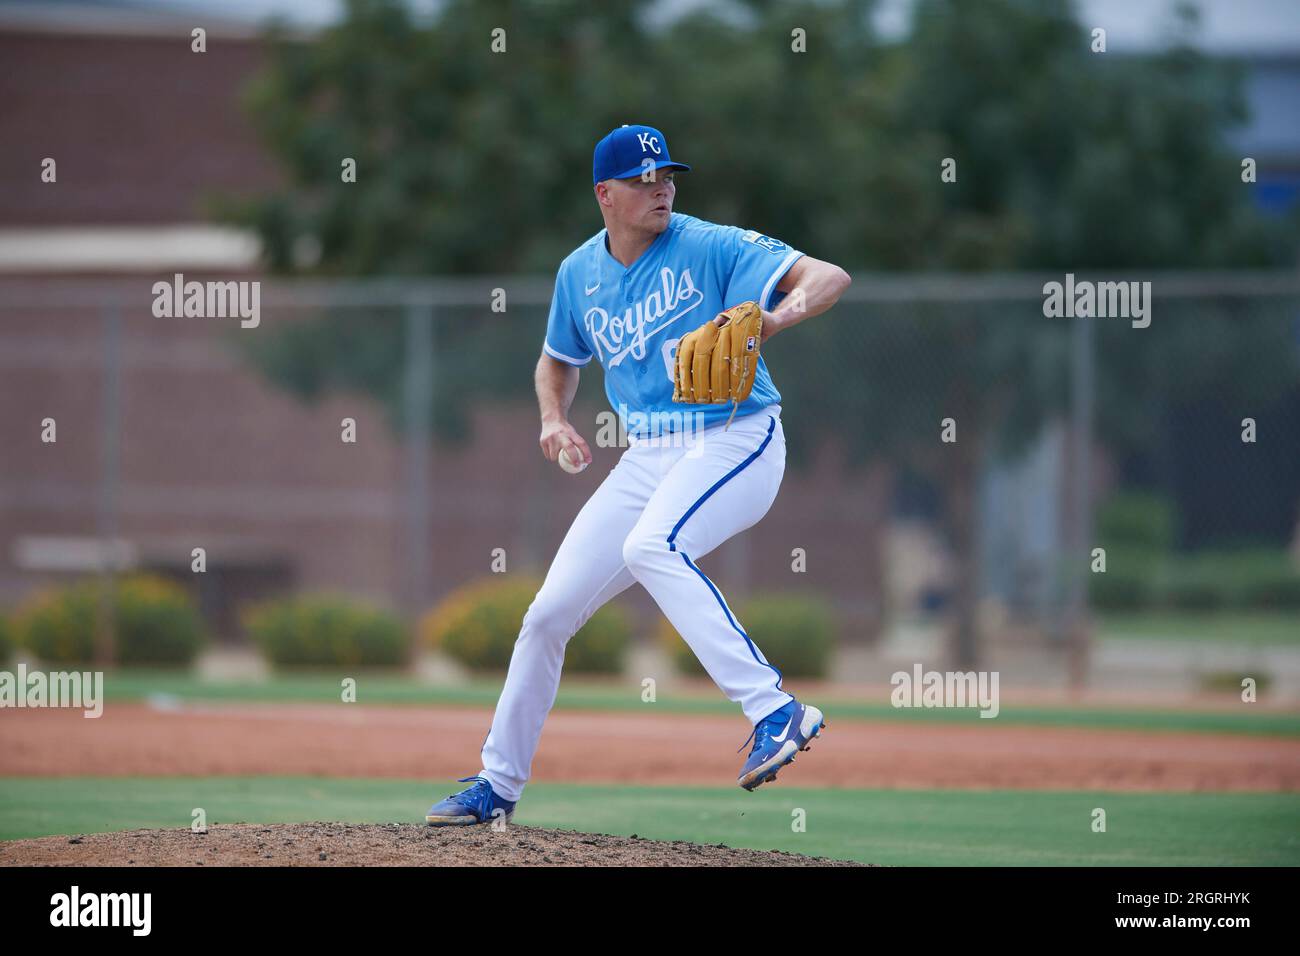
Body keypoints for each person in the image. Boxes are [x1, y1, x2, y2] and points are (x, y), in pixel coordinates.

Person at [426, 124, 852, 826]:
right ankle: (495, 787)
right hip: (649, 454)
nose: (662, 189)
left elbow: (828, 278)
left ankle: (777, 710)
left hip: (737, 435)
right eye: (643, 180)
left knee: (651, 546)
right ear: (605, 194)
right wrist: (551, 419)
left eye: (667, 177)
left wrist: (772, 321)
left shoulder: (708, 243)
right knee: (546, 616)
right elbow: (558, 359)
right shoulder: (578, 274)